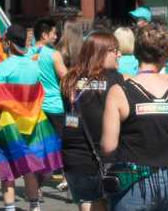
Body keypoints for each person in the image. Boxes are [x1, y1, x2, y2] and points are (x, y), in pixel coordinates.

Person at [101, 25, 168, 211]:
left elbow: (108, 146)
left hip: (134, 179)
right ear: (164, 55)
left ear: (136, 53)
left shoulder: (120, 91)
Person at [60, 31, 123, 211]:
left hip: (74, 157)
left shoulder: (69, 80)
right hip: (105, 156)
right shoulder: (115, 80)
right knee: (107, 203)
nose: (119, 54)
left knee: (86, 201)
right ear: (101, 53)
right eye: (115, 50)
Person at [0, 23, 44, 211]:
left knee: (7, 169)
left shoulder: (3, 68)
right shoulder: (34, 66)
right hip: (31, 123)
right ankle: (34, 206)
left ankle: (10, 208)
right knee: (29, 167)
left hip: (8, 125)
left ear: (9, 43)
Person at [32, 18, 69, 135]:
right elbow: (66, 78)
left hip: (35, 107)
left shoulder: (27, 53)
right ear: (44, 35)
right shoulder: (54, 54)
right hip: (54, 106)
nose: (56, 37)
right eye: (53, 33)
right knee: (57, 146)